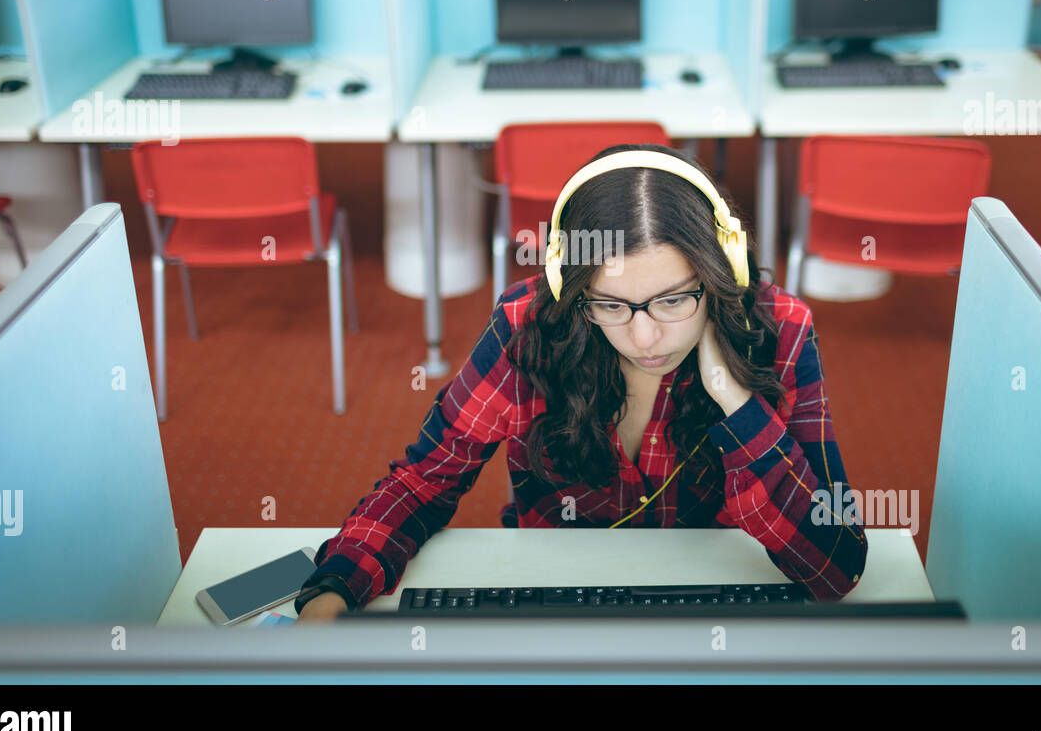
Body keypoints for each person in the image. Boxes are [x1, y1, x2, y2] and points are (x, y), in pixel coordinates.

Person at [295, 144, 867, 620]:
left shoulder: (781, 331)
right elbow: (425, 481)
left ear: (724, 273)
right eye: (611, 304)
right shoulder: (526, 329)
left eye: (673, 299)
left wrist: (735, 402)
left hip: (710, 604)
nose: (645, 338)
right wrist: (331, 592)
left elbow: (837, 565)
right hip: (556, 597)